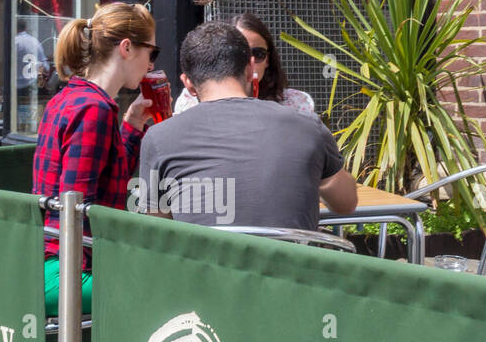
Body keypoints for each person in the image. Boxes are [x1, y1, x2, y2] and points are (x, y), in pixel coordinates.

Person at [33, 2, 156, 342]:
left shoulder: (73, 99)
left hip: (49, 259)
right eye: (150, 52)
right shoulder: (95, 108)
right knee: (161, 291)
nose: (152, 63)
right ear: (126, 48)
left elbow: (95, 176)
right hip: (62, 269)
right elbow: (77, 208)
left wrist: (133, 125)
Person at [140, 22, 356, 229]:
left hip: (205, 266)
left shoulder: (159, 138)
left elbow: (157, 229)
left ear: (188, 84)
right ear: (249, 69)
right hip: (289, 266)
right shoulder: (308, 127)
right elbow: (346, 204)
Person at [172, 12, 315, 117]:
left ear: (268, 60)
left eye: (258, 54)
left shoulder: (296, 102)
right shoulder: (192, 99)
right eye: (238, 54)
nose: (248, 62)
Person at [13, 21, 51, 130]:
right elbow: (46, 67)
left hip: (16, 86)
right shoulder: (34, 42)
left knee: (15, 121)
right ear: (25, 28)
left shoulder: (14, 42)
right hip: (31, 85)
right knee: (32, 116)